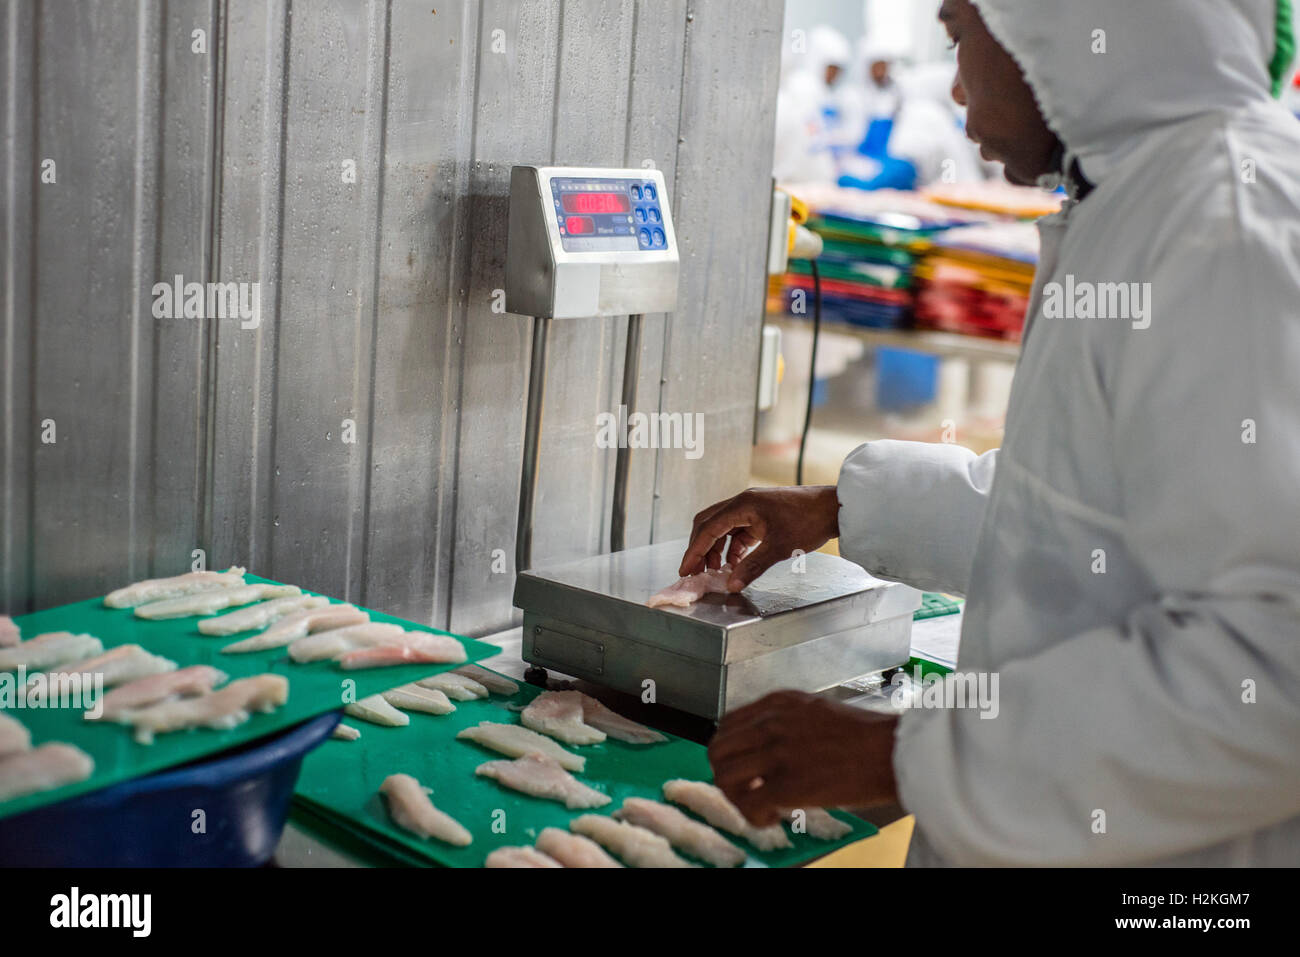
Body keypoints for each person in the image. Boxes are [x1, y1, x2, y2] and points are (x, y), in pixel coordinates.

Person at [690, 0, 1300, 866]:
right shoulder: (1142, 200)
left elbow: (1274, 669)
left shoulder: (1224, 227)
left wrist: (899, 754)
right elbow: (1078, 516)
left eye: (957, 34)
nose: (954, 81)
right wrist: (835, 506)